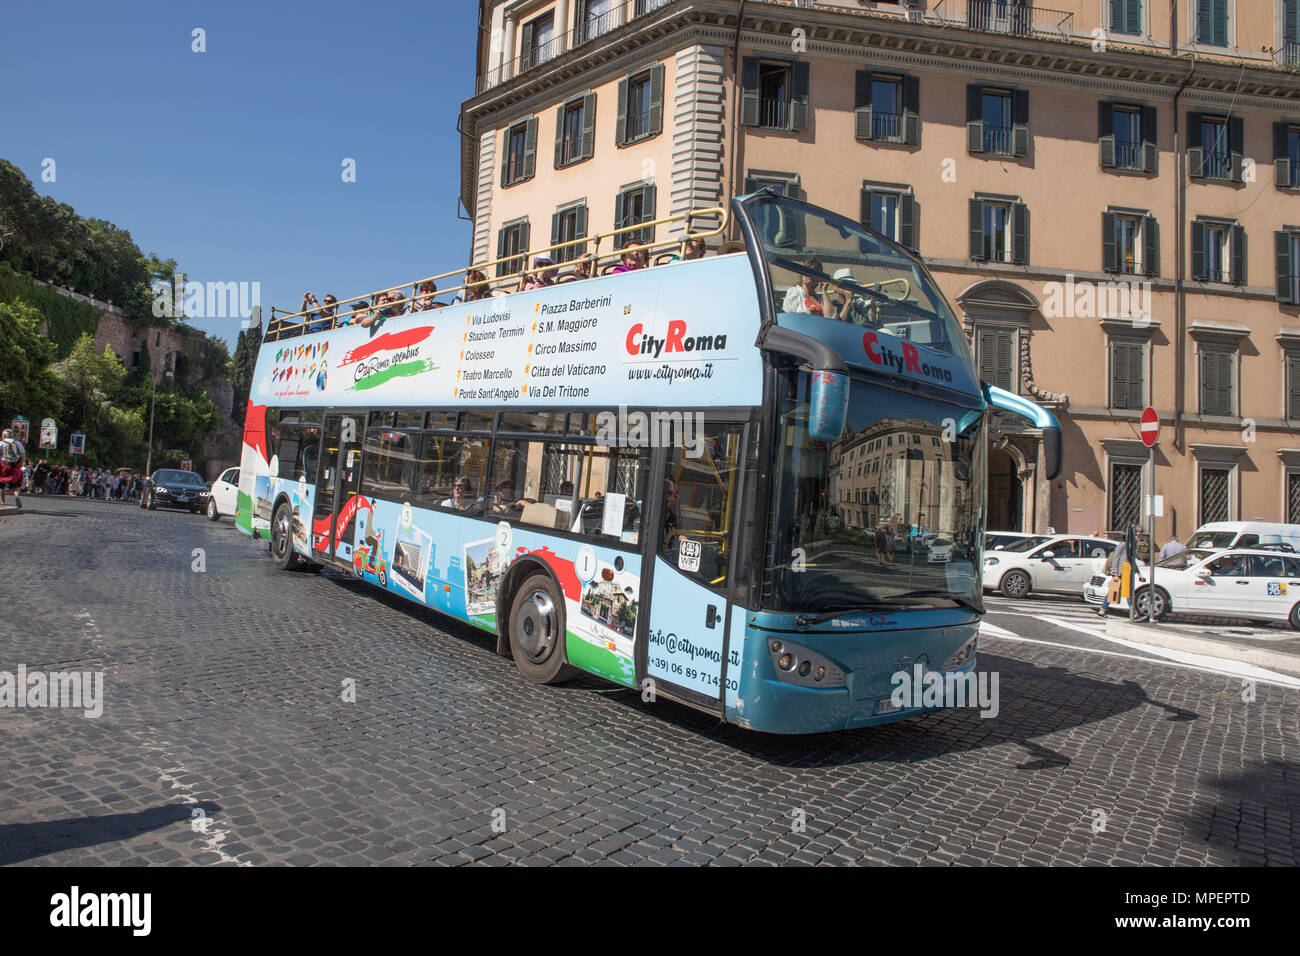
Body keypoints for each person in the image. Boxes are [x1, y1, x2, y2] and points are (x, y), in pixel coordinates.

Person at [1097, 538, 1128, 617]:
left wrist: (1138, 573)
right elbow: (1115, 559)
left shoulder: (1130, 545)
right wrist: (1115, 573)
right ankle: (1134, 612)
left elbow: (1131, 560)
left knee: (1127, 593)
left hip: (1126, 570)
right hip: (1121, 572)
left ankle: (1102, 610)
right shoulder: (1122, 545)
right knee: (1115, 592)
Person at [0, 428, 26, 509]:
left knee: (1, 485)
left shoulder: (1, 443)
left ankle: (2, 502)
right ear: (12, 435)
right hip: (16, 467)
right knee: (15, 485)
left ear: (4, 435)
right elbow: (23, 456)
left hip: (4, 466)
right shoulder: (18, 443)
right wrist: (22, 465)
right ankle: (17, 498)